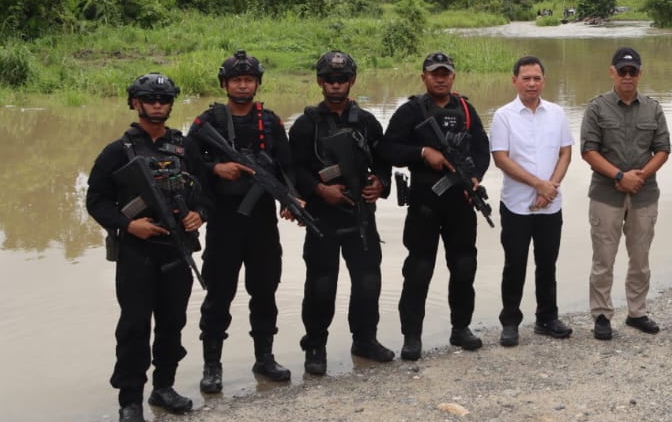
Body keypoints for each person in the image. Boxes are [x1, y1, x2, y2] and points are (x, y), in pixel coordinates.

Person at [85, 73, 206, 422]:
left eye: (163, 99)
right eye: (149, 99)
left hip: (177, 251)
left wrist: (201, 213)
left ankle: (164, 388)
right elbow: (96, 200)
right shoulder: (117, 151)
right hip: (136, 253)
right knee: (135, 325)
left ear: (170, 104)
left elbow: (205, 191)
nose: (157, 105)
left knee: (173, 323)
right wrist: (126, 225)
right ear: (135, 103)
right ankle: (130, 401)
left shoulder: (185, 149)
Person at [188, 50, 294, 393]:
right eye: (237, 80)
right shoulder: (208, 123)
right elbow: (186, 167)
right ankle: (212, 366)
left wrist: (291, 198)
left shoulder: (271, 122)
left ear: (257, 83)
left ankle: (265, 358)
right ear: (224, 84)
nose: (243, 85)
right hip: (223, 220)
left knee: (265, 291)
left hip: (262, 220)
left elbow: (286, 166)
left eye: (249, 80)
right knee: (219, 293)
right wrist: (215, 168)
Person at [288, 51, 401, 374]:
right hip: (323, 216)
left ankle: (365, 340)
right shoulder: (305, 125)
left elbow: (383, 159)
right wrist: (320, 190)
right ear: (320, 82)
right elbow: (293, 169)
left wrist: (379, 183)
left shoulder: (366, 122)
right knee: (321, 285)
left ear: (352, 81)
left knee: (368, 282)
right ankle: (315, 347)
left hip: (360, 213)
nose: (336, 85)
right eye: (329, 80)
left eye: (342, 80)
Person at [384, 51, 491, 360]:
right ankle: (412, 337)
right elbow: (388, 148)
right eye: (434, 73)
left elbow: (482, 149)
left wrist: (474, 178)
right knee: (418, 270)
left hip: (460, 201)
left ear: (453, 76)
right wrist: (422, 154)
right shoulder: (410, 111)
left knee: (464, 266)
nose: (440, 78)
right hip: (424, 204)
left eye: (445, 73)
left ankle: (461, 329)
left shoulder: (467, 110)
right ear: (424, 77)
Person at [580, 46, 671, 340]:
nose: (628, 76)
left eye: (633, 71)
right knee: (603, 259)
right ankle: (602, 314)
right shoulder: (596, 107)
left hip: (644, 193)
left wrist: (639, 176)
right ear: (612, 72)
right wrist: (619, 176)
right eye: (623, 71)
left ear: (640, 74)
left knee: (640, 258)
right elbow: (588, 150)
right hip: (606, 194)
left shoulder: (653, 109)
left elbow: (663, 149)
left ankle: (637, 312)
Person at [490, 55, 575, 347]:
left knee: (547, 263)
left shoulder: (557, 113)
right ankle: (510, 322)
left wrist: (550, 188)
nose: (531, 83)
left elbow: (565, 152)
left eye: (536, 78)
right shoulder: (503, 116)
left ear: (544, 81)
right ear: (514, 80)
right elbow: (500, 158)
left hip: (551, 204)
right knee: (515, 264)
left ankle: (547, 318)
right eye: (525, 78)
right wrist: (538, 184)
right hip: (516, 205)